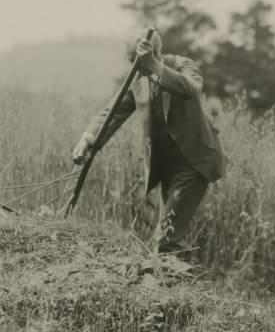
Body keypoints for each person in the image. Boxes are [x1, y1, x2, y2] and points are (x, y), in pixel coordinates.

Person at [72, 28, 226, 257]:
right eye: (131, 61)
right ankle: (171, 274)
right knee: (167, 233)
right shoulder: (138, 81)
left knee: (166, 238)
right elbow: (113, 112)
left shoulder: (183, 65)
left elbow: (191, 89)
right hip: (167, 165)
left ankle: (170, 277)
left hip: (194, 162)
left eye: (137, 61)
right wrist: (88, 139)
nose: (134, 67)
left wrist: (154, 66)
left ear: (154, 53)